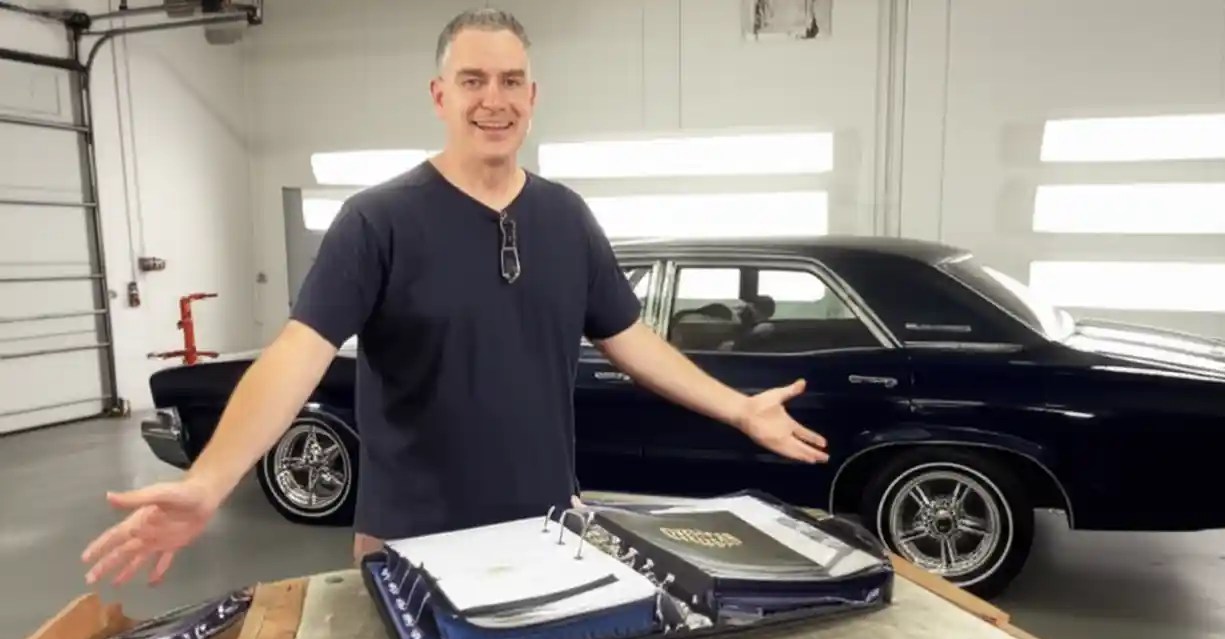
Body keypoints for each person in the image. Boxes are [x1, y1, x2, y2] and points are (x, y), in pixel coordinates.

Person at [80, 8, 829, 587]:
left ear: (532, 97)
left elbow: (633, 340)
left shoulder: (566, 218)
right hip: (412, 538)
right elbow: (295, 358)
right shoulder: (378, 220)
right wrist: (209, 481)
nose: (492, 100)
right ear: (441, 95)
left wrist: (737, 406)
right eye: (473, 80)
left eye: (510, 82)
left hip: (548, 528)